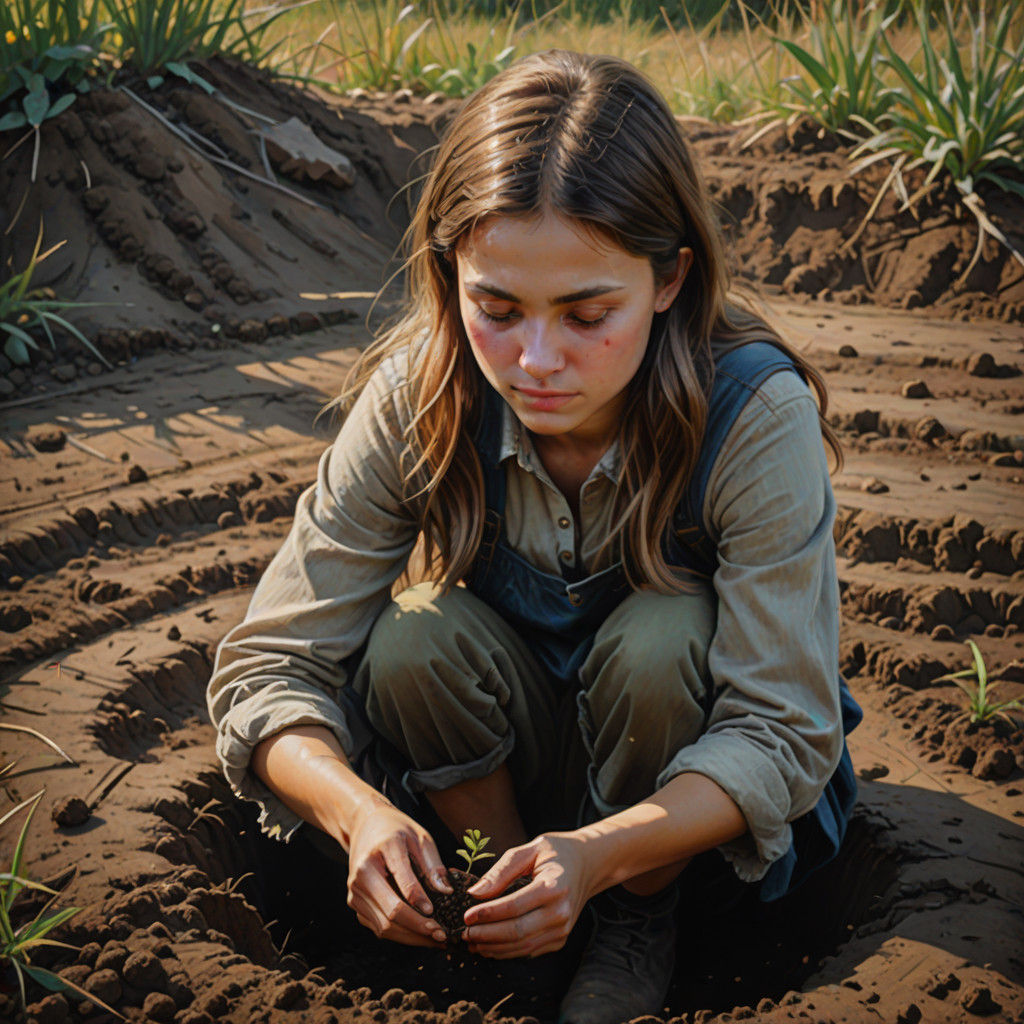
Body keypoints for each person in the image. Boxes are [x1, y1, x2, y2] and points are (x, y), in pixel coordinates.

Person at [207, 49, 861, 1024]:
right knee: (412, 632)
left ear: (670, 278)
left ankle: (640, 923)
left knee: (662, 636)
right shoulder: (419, 392)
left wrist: (597, 859)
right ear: (450, 275)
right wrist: (359, 815)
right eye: (496, 309)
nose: (536, 360)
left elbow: (783, 727)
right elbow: (268, 665)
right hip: (490, 761)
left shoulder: (750, 413)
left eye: (588, 313)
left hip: (676, 795)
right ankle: (496, 908)